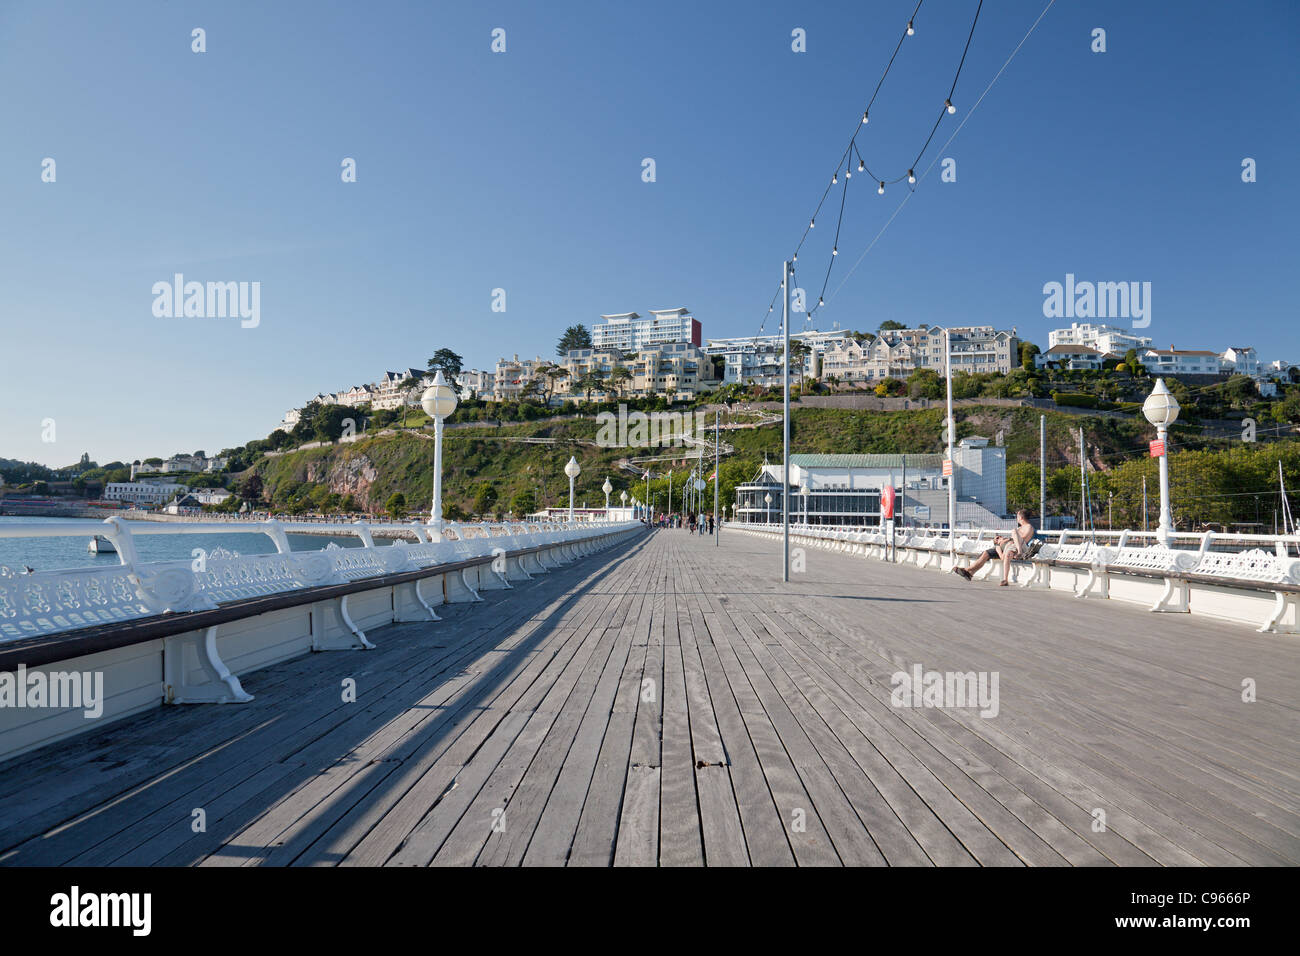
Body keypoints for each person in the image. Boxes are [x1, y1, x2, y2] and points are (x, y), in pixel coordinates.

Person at [953, 510, 1037, 586]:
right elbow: (1013, 538)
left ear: (1021, 517)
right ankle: (970, 573)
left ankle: (1004, 579)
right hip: (1006, 546)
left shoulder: (1028, 527)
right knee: (986, 553)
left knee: (1009, 545)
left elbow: (1022, 538)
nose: (1017, 518)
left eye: (1017, 517)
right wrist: (1002, 540)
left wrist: (1013, 537)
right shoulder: (1020, 528)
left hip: (1016, 547)